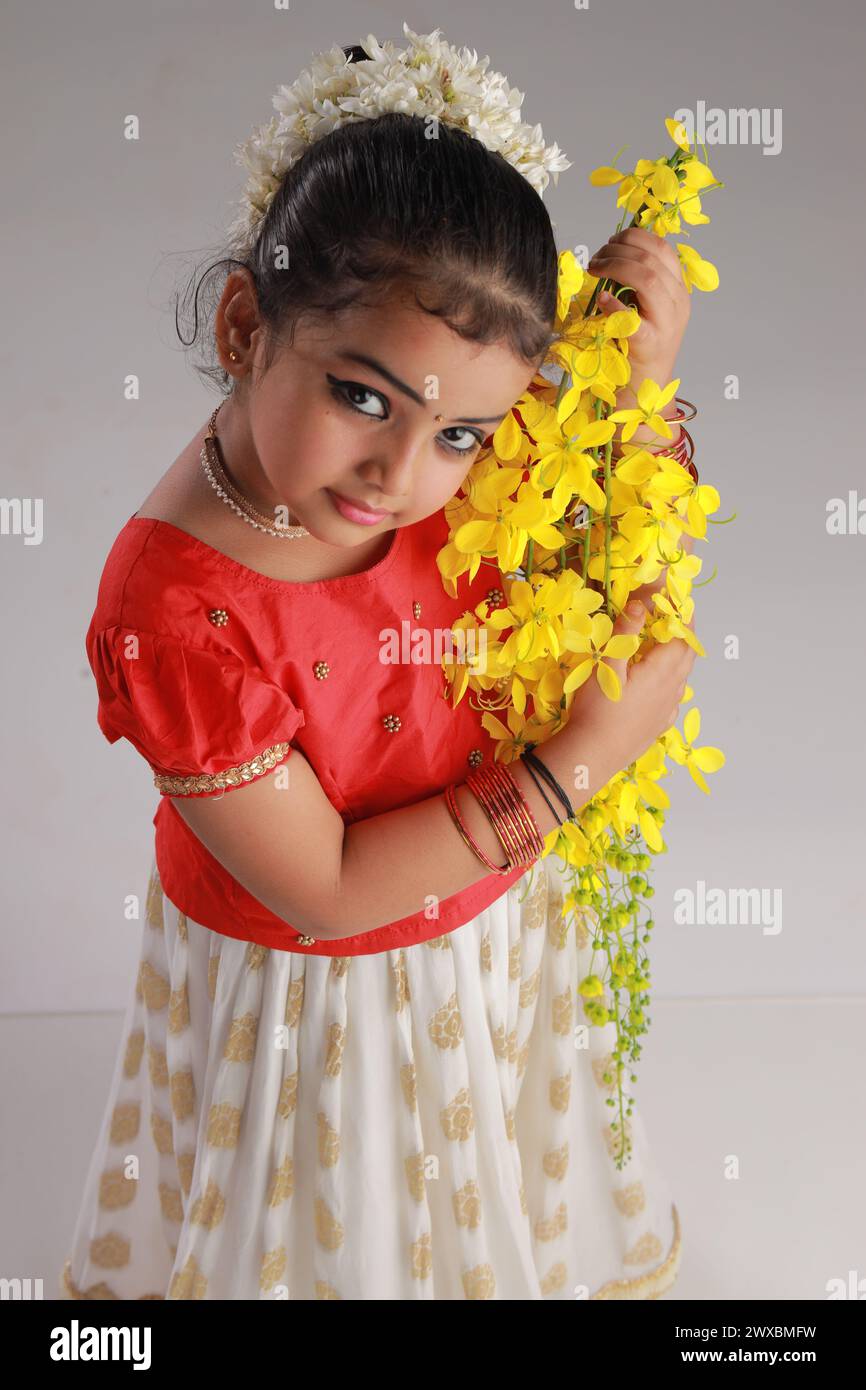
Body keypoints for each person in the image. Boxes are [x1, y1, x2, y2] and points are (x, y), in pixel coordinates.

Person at [59, 29, 696, 1301]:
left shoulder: (436, 470)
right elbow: (332, 894)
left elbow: (586, 542)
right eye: (360, 397)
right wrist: (574, 771)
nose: (401, 478)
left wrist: (639, 393)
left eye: (459, 431)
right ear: (247, 323)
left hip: (474, 912)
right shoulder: (176, 613)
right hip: (321, 999)